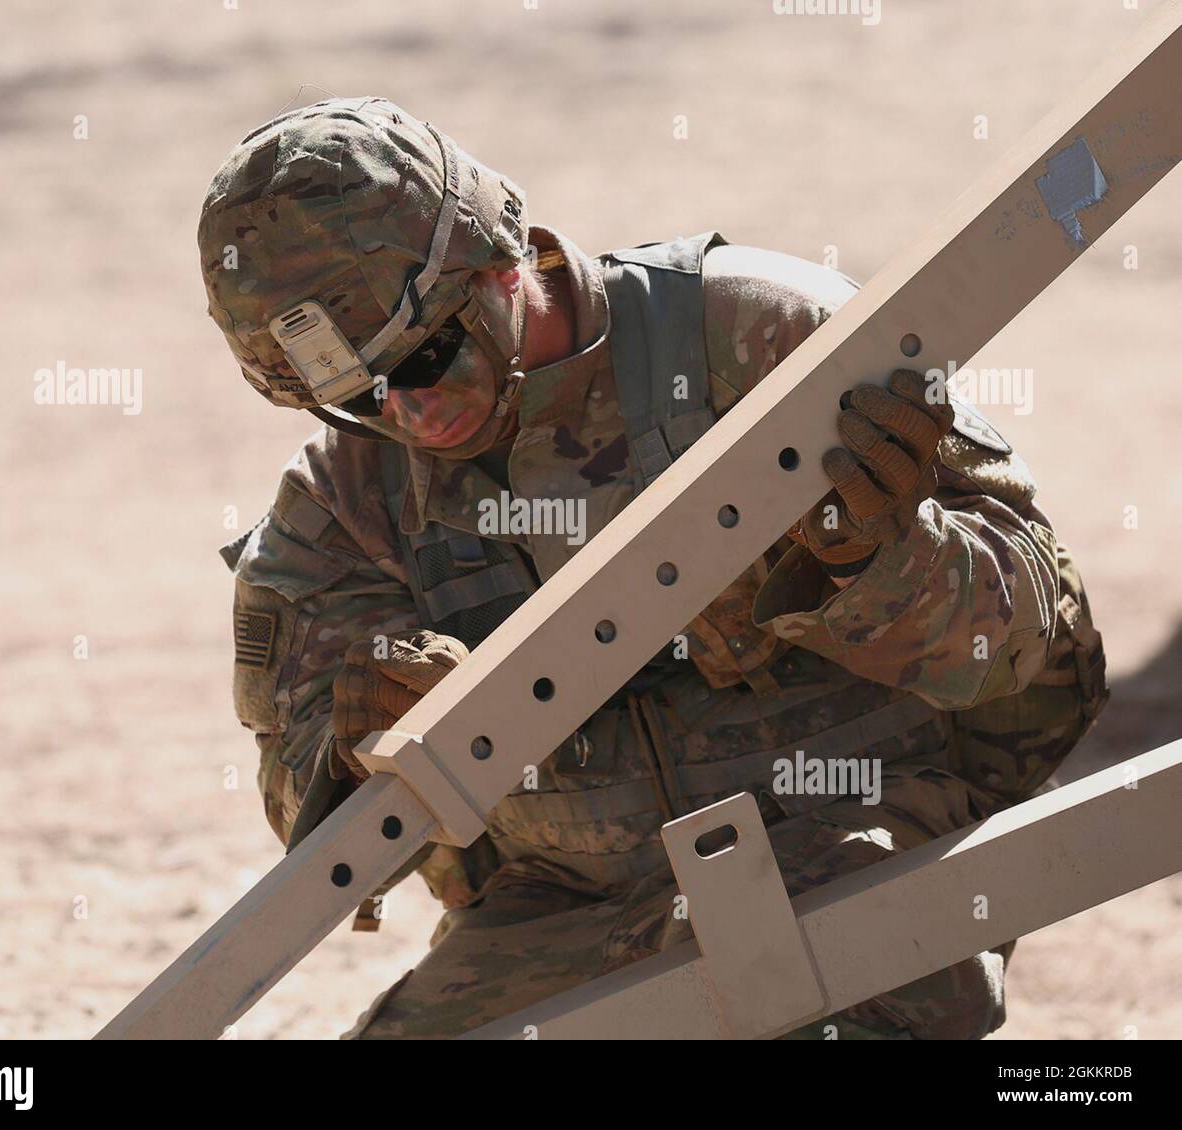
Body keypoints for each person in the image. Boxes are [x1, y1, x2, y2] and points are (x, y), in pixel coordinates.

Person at [198, 97, 1107, 1038]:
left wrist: (884, 561)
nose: (414, 416)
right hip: (560, 917)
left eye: (431, 357)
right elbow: (312, 836)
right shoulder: (342, 504)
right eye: (358, 398)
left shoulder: (760, 340)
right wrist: (362, 755)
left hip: (842, 852)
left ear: (495, 256)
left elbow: (1042, 655)